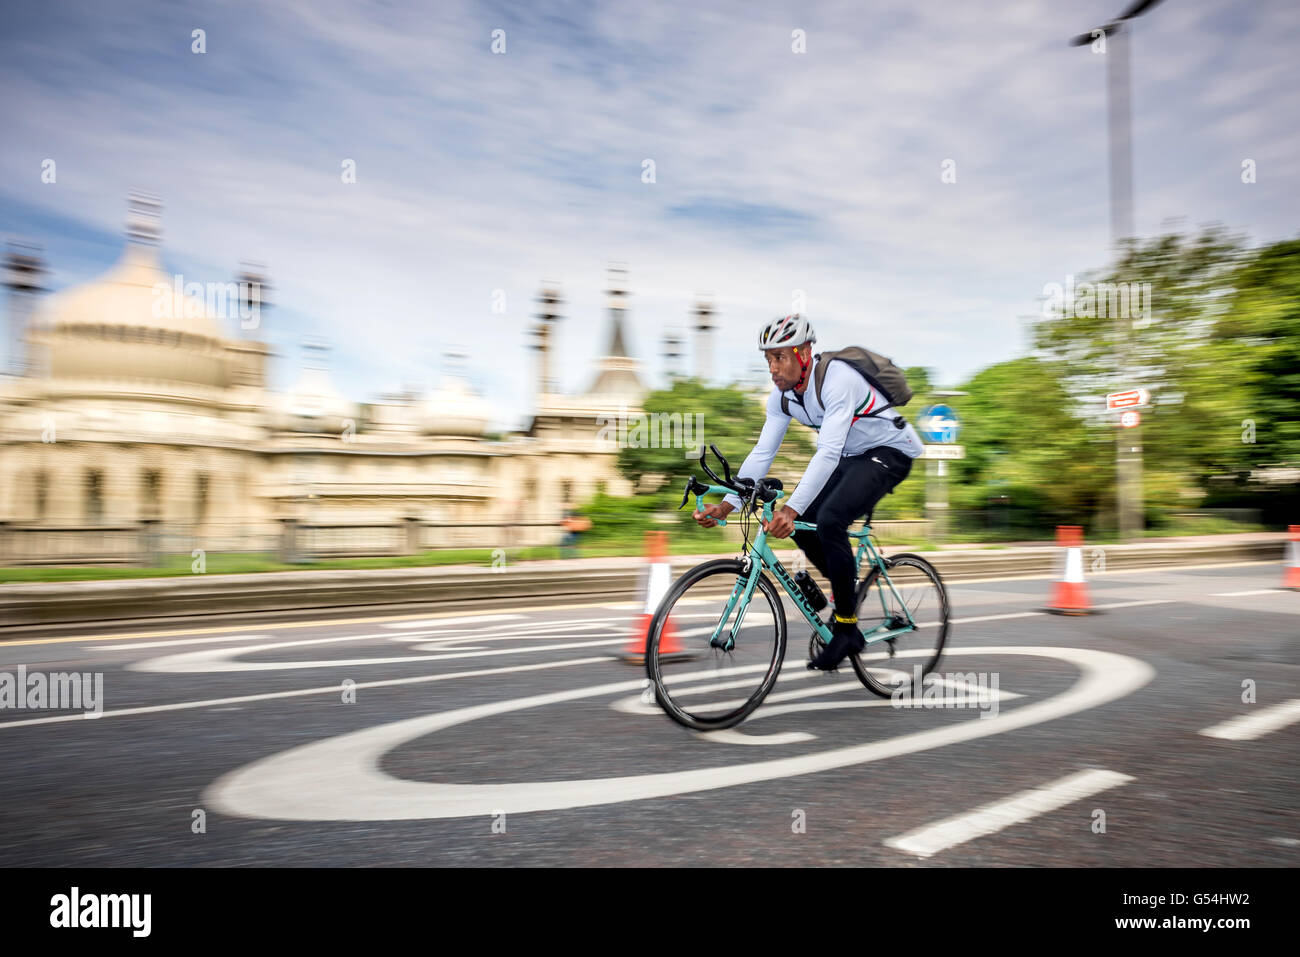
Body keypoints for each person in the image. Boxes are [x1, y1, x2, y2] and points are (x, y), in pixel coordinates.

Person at [692, 314, 924, 671]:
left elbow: (828, 452)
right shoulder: (783, 397)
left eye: (780, 357)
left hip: (889, 452)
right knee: (806, 526)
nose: (772, 367)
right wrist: (728, 505)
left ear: (804, 353)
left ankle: (847, 630)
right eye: (767, 359)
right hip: (852, 456)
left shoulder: (836, 379)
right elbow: (762, 453)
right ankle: (846, 587)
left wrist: (793, 508)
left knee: (829, 520)